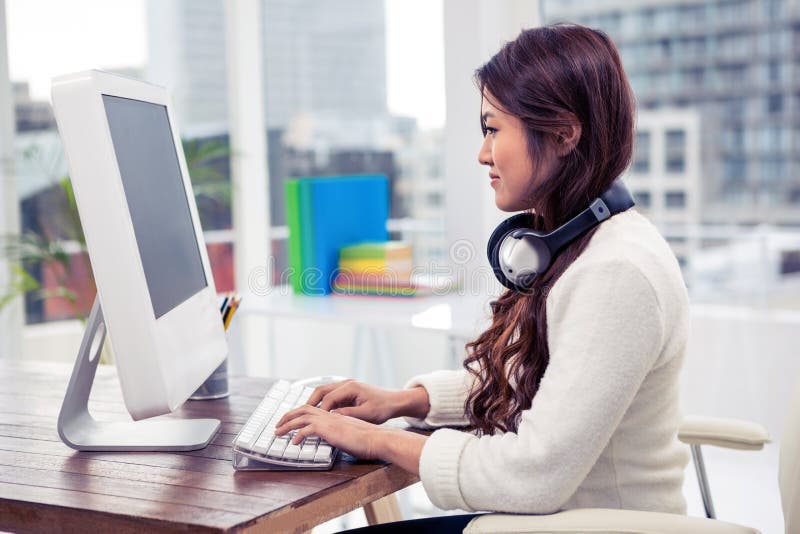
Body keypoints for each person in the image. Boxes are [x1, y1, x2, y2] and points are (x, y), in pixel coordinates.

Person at [276, 23, 690, 531]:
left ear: (563, 134)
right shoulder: (580, 245)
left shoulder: (616, 273)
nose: (482, 153)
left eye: (493, 128)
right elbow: (532, 382)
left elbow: (533, 476)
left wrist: (375, 439)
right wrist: (402, 401)